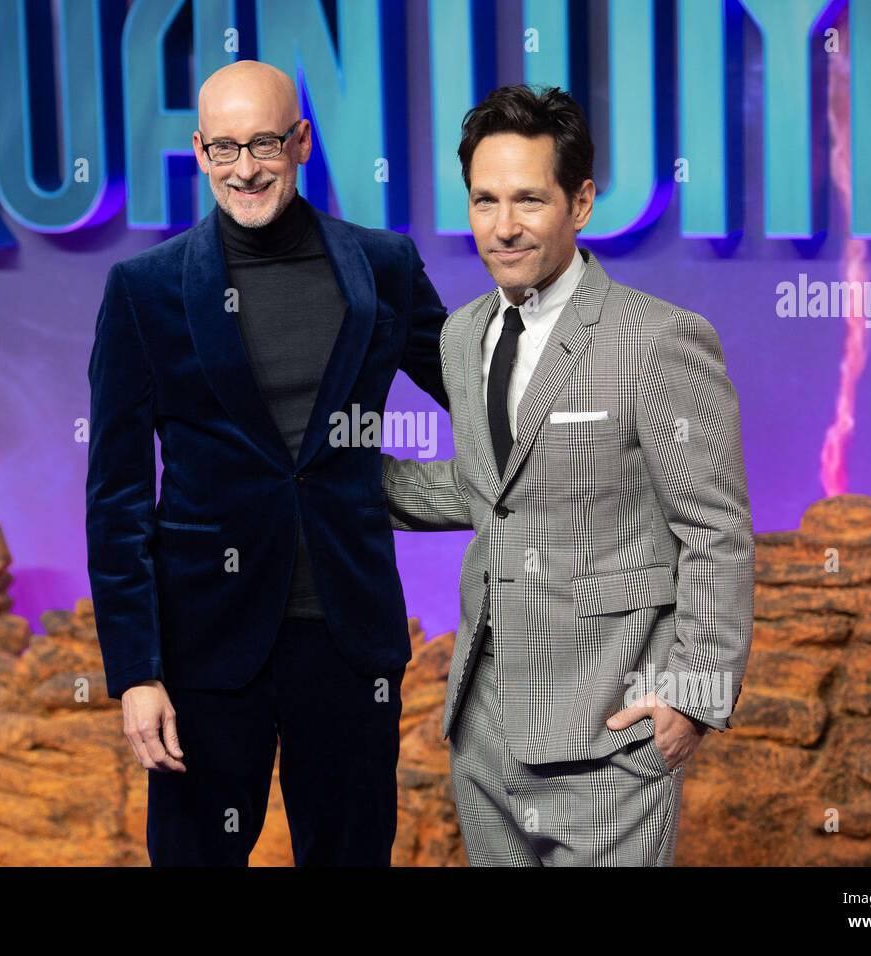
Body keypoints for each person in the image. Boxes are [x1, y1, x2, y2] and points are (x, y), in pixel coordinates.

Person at [85, 60, 448, 866]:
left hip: (348, 642)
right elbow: (114, 499)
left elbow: (475, 387)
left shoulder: (383, 266)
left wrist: (594, 408)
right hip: (203, 653)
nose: (244, 168)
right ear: (199, 150)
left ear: (302, 141)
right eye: (222, 148)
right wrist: (136, 670)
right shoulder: (144, 290)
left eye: (263, 144)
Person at [382, 85, 754, 865]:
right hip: (484, 729)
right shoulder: (462, 335)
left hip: (612, 733)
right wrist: (338, 479)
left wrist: (694, 699)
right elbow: (495, 490)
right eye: (485, 200)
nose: (503, 226)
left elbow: (714, 530)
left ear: (580, 202)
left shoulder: (658, 340)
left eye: (528, 199)